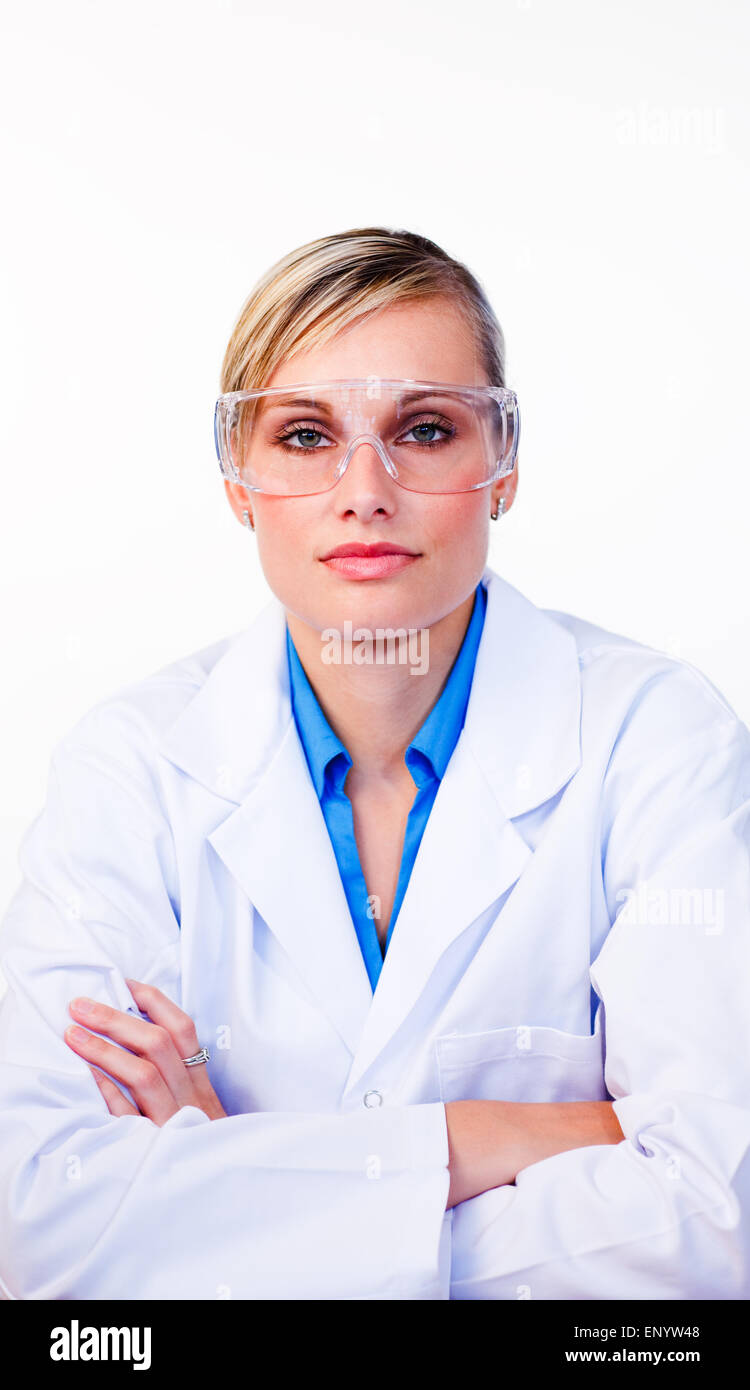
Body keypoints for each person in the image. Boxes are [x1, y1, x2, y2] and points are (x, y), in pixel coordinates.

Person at [1, 226, 749, 1301]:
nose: (366, 488)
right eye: (306, 435)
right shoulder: (130, 770)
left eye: (427, 428)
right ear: (236, 482)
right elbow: (47, 1227)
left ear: (503, 467)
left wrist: (238, 1185)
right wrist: (490, 1139)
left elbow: (712, 1225)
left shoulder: (659, 740)